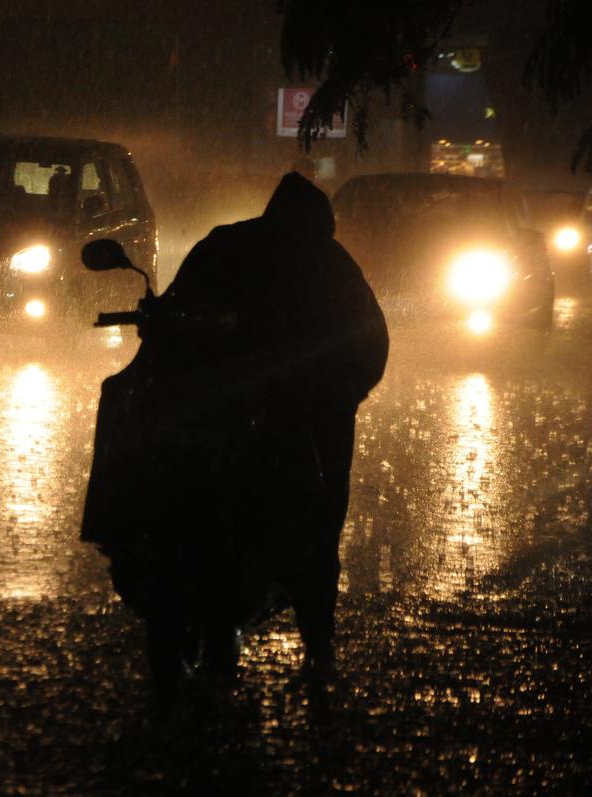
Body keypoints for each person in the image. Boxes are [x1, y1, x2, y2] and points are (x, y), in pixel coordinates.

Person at [83, 171, 386, 689]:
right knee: (124, 404)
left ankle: (319, 646)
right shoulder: (249, 249)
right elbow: (177, 306)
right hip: (219, 402)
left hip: (297, 410)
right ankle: (124, 527)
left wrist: (327, 395)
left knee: (317, 522)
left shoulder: (313, 262)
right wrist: (159, 318)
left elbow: (364, 347)